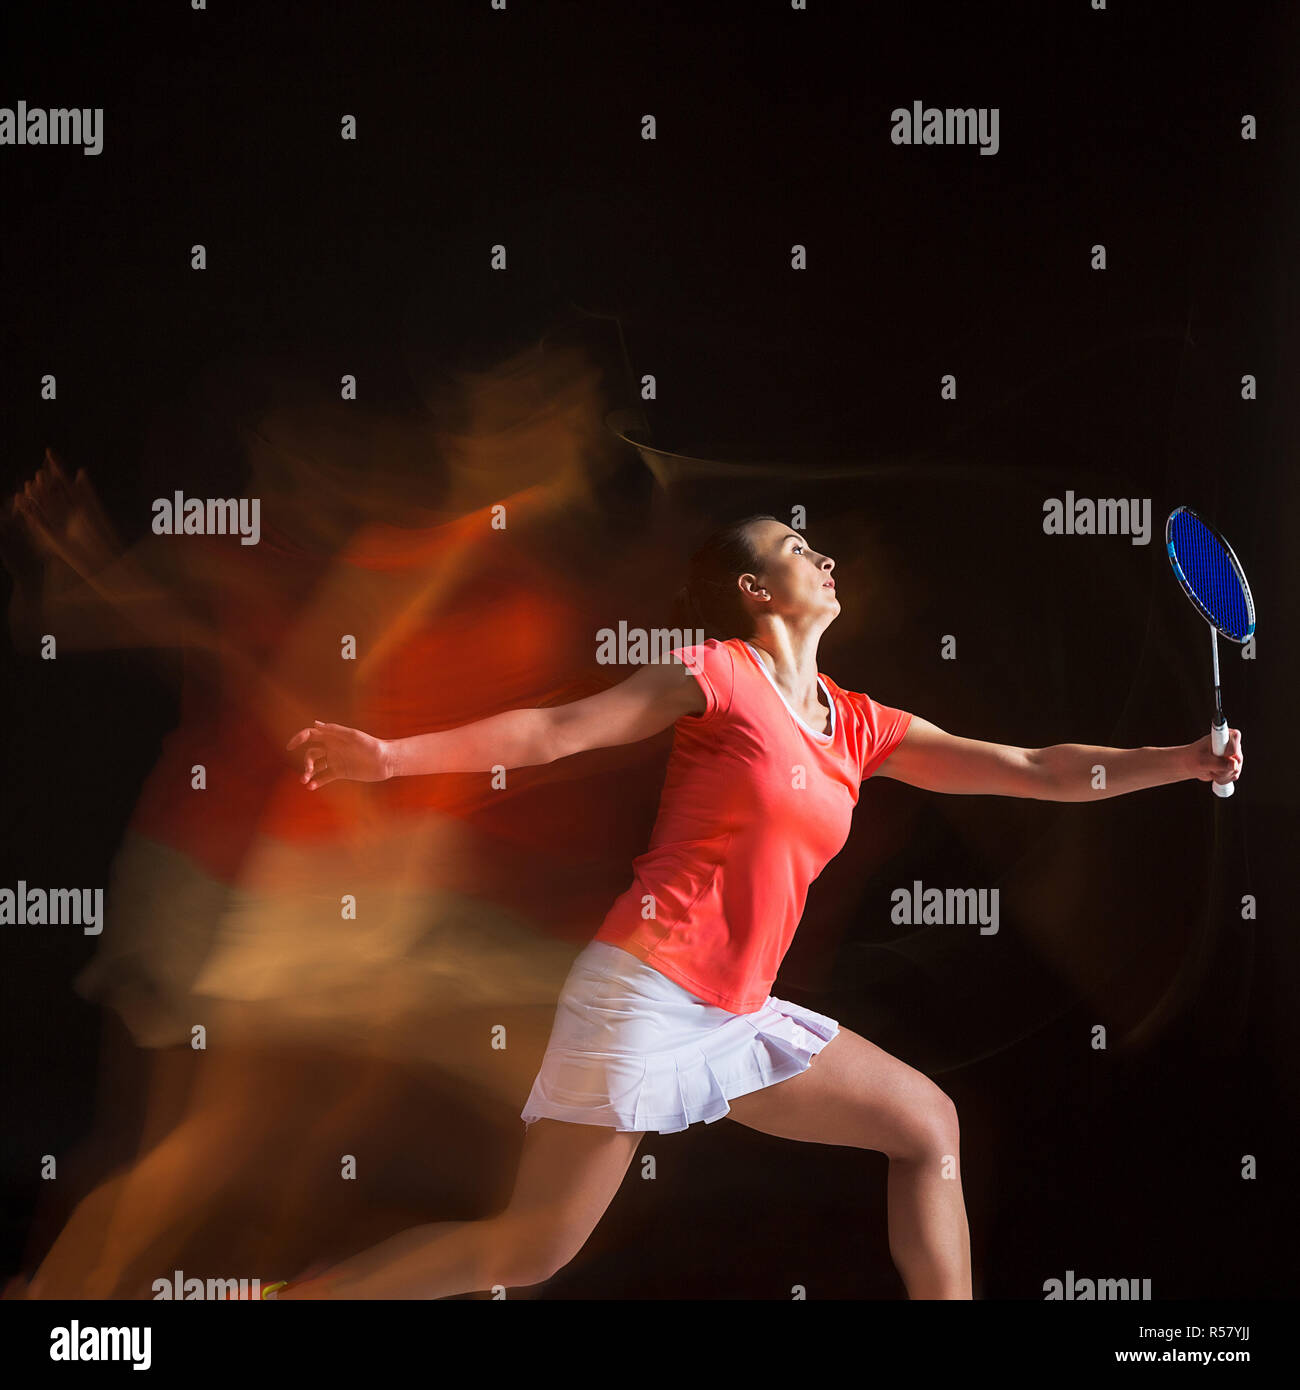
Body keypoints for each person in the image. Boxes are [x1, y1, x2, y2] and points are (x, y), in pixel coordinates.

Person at [278, 513, 1244, 1300]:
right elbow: (559, 729)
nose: (824, 557)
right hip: (644, 995)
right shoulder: (717, 674)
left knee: (928, 1128)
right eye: (795, 549)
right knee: (527, 1254)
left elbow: (1033, 769)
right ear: (754, 592)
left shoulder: (857, 724)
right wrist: (391, 756)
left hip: (736, 1013)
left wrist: (1183, 763)